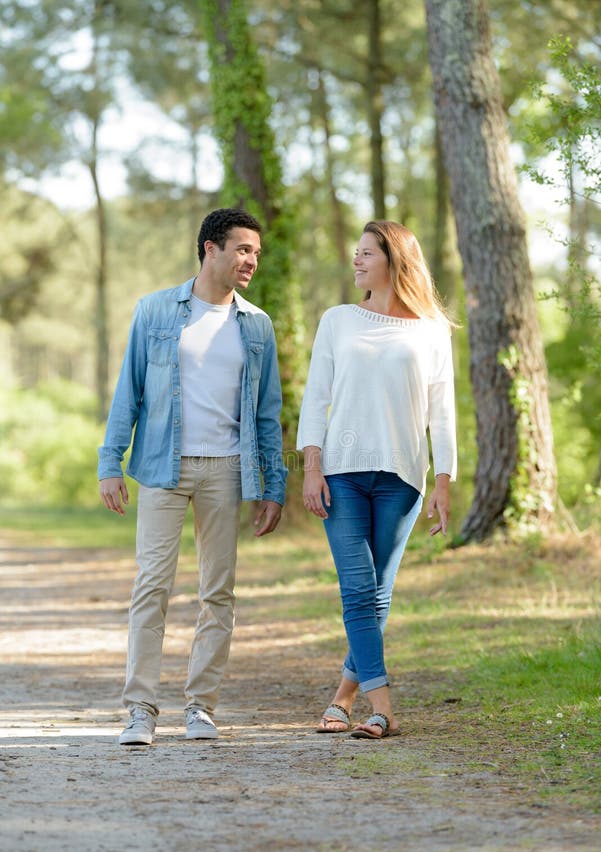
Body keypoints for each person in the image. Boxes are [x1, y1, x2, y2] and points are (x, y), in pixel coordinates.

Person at [99, 207, 287, 746]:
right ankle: (140, 710)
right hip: (162, 465)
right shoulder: (155, 311)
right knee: (151, 587)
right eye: (243, 249)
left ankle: (200, 708)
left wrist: (273, 486)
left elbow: (267, 413)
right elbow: (128, 393)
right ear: (211, 248)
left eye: (256, 251)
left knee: (217, 592)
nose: (251, 259)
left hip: (227, 470)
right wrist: (110, 462)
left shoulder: (257, 325)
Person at [297, 220, 457, 739]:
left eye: (367, 253)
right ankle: (383, 706)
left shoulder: (430, 328)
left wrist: (445, 479)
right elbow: (316, 396)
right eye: (356, 252)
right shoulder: (338, 320)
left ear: (394, 259)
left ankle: (342, 699)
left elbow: (442, 410)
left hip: (403, 475)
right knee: (358, 587)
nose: (356, 260)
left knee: (378, 593)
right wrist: (311, 466)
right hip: (340, 473)